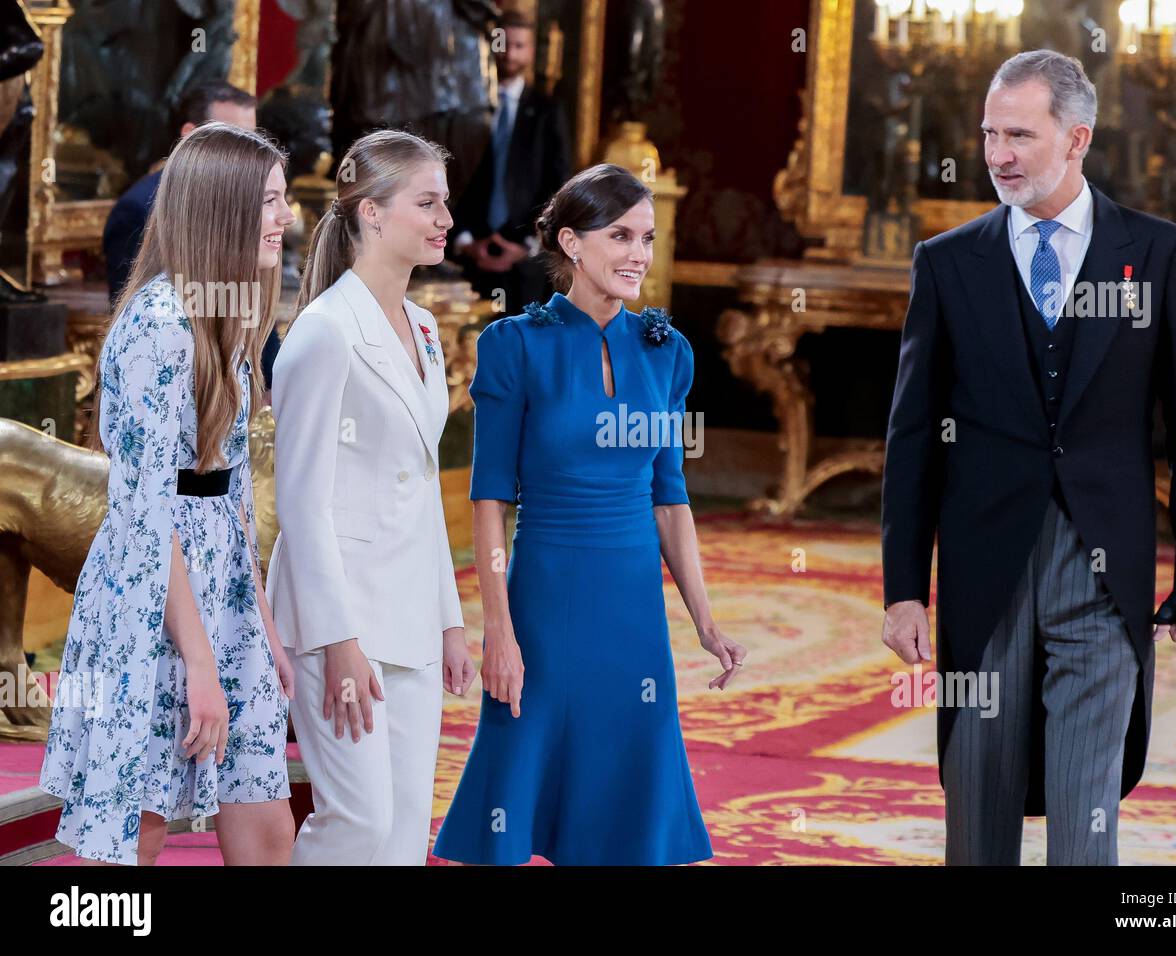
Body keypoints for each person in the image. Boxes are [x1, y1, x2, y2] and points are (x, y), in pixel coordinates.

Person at [880, 50, 1176, 865]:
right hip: (982, 567)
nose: (997, 154)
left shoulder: (1162, 253)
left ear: (1077, 138)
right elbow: (912, 435)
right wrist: (903, 588)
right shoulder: (946, 261)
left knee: (1085, 814)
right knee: (978, 807)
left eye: (1019, 136)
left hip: (1105, 568)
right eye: (989, 134)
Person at [432, 163, 746, 866]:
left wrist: (705, 621)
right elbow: (490, 504)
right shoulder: (514, 347)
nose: (640, 253)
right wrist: (499, 633)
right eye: (622, 235)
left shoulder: (669, 353)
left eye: (649, 237)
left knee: (625, 812)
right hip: (544, 601)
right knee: (517, 797)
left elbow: (670, 499)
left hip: (633, 614)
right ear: (572, 243)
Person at [39, 122, 297, 865]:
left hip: (223, 586)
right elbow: (150, 510)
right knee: (136, 827)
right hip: (152, 599)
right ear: (222, 208)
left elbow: (232, 488)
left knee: (265, 816)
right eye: (271, 201)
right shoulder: (160, 325)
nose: (284, 218)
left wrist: (260, 628)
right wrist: (201, 666)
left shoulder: (233, 316)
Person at [267, 129, 476, 866]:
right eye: (427, 202)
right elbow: (301, 505)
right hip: (340, 619)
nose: (445, 218)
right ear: (373, 214)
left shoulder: (423, 327)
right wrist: (340, 641)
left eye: (445, 201)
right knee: (356, 821)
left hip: (413, 615)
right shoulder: (323, 333)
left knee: (399, 834)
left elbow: (421, 491)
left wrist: (449, 621)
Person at [102, 80, 281, 392]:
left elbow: (251, 315)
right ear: (190, 136)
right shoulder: (161, 318)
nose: (248, 152)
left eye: (251, 137)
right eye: (231, 137)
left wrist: (269, 385)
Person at [451, 9, 571, 316]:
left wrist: (530, 244)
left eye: (519, 45)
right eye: (503, 44)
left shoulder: (546, 111)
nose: (510, 53)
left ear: (531, 51)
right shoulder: (467, 111)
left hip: (525, 259)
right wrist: (465, 241)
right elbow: (453, 174)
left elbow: (559, 184)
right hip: (469, 253)